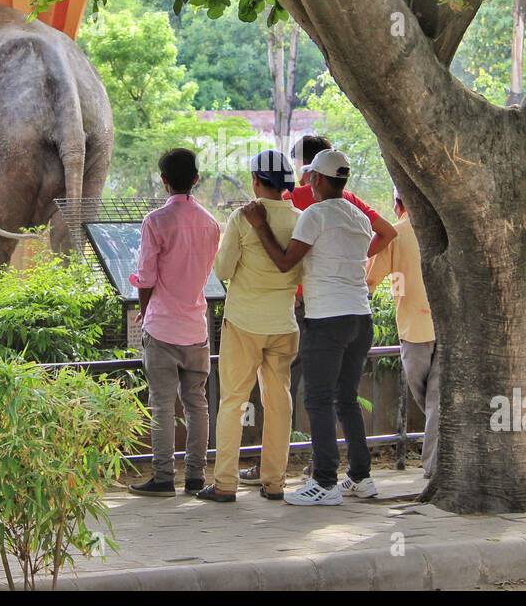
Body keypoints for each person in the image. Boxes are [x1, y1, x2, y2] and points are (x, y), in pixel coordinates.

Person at [238, 135, 395, 486]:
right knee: (346, 399)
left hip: (323, 317)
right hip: (360, 316)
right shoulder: (357, 215)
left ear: (315, 177)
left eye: (308, 174)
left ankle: (323, 481)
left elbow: (283, 262)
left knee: (314, 398)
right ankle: (360, 476)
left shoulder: (310, 211)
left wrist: (260, 225)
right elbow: (383, 236)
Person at [198, 150, 302, 502]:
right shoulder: (302, 220)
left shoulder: (242, 219)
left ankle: (225, 483)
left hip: (243, 322)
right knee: (278, 403)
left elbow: (223, 270)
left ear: (256, 181)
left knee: (233, 402)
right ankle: (274, 482)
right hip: (283, 323)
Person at [128, 148, 222, 497]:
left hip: (162, 327)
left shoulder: (155, 221)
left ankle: (163, 477)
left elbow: (147, 276)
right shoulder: (211, 224)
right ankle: (196, 477)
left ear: (164, 180)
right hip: (196, 328)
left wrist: (144, 308)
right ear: (196, 179)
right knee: (197, 403)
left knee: (162, 404)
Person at [366, 189, 438, 477]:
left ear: (398, 204)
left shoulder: (396, 234)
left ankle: (435, 467)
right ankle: (435, 465)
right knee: (438, 402)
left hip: (414, 330)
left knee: (431, 401)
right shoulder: (442, 232)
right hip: (446, 329)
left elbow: (370, 280)